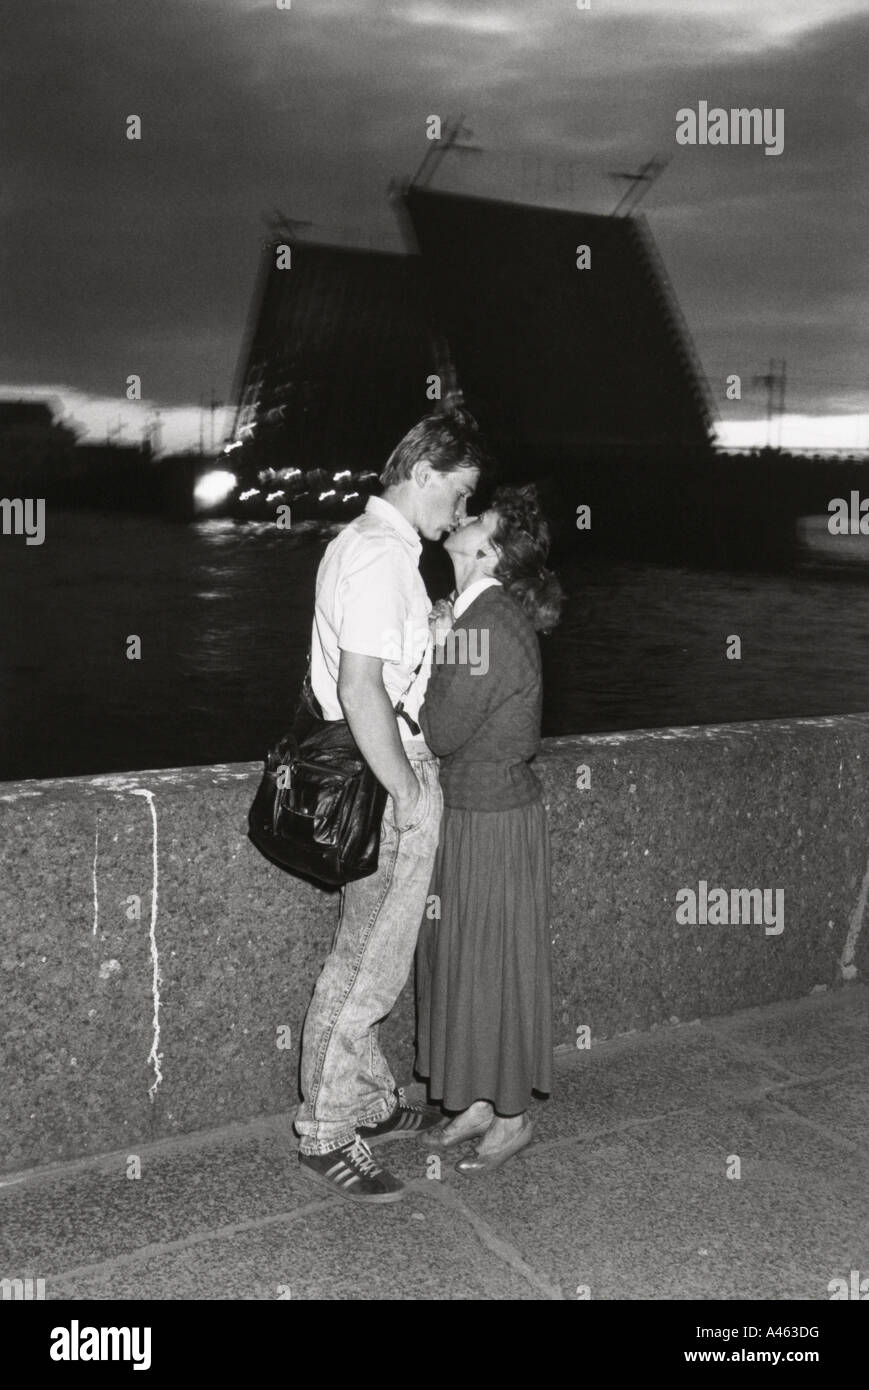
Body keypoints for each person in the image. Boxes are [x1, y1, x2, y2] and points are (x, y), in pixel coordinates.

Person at [294, 408, 487, 1203]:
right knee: (368, 963)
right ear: (424, 473)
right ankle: (326, 1130)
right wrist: (407, 793)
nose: (464, 512)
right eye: (461, 491)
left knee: (372, 950)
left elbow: (371, 665)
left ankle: (366, 1103)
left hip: (375, 767)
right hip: (386, 774)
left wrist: (431, 632)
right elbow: (359, 687)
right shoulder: (380, 557)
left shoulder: (366, 546)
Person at [415, 484, 564, 1174]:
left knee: (490, 965)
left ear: (488, 550)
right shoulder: (484, 614)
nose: (462, 517)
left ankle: (511, 1118)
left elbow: (441, 730)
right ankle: (477, 1100)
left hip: (490, 819)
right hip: (482, 810)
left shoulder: (484, 624)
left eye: (477, 519)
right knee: (471, 962)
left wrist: (437, 646)